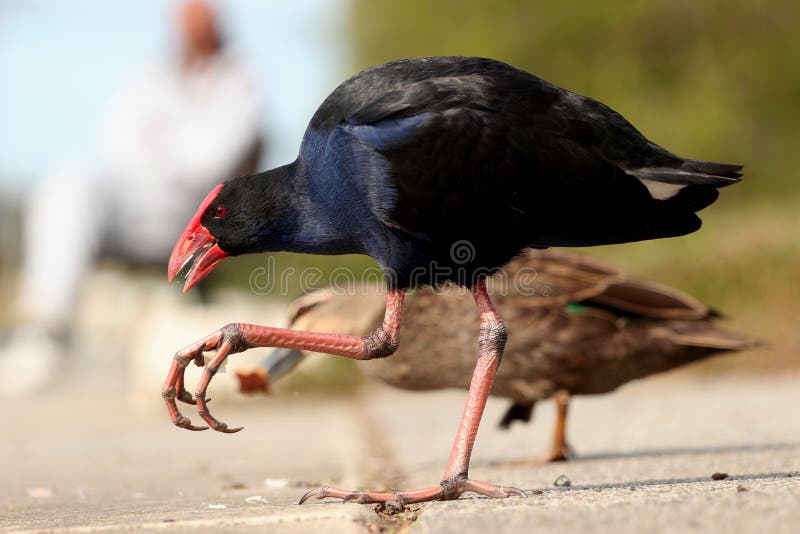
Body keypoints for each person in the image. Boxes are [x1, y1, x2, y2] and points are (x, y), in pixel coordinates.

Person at [0, 0, 263, 396]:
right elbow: (118, 143)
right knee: (69, 182)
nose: (189, 32)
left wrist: (162, 146)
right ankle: (48, 331)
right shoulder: (149, 76)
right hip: (133, 201)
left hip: (191, 217)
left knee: (95, 187)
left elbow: (214, 158)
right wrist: (168, 153)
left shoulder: (241, 80)